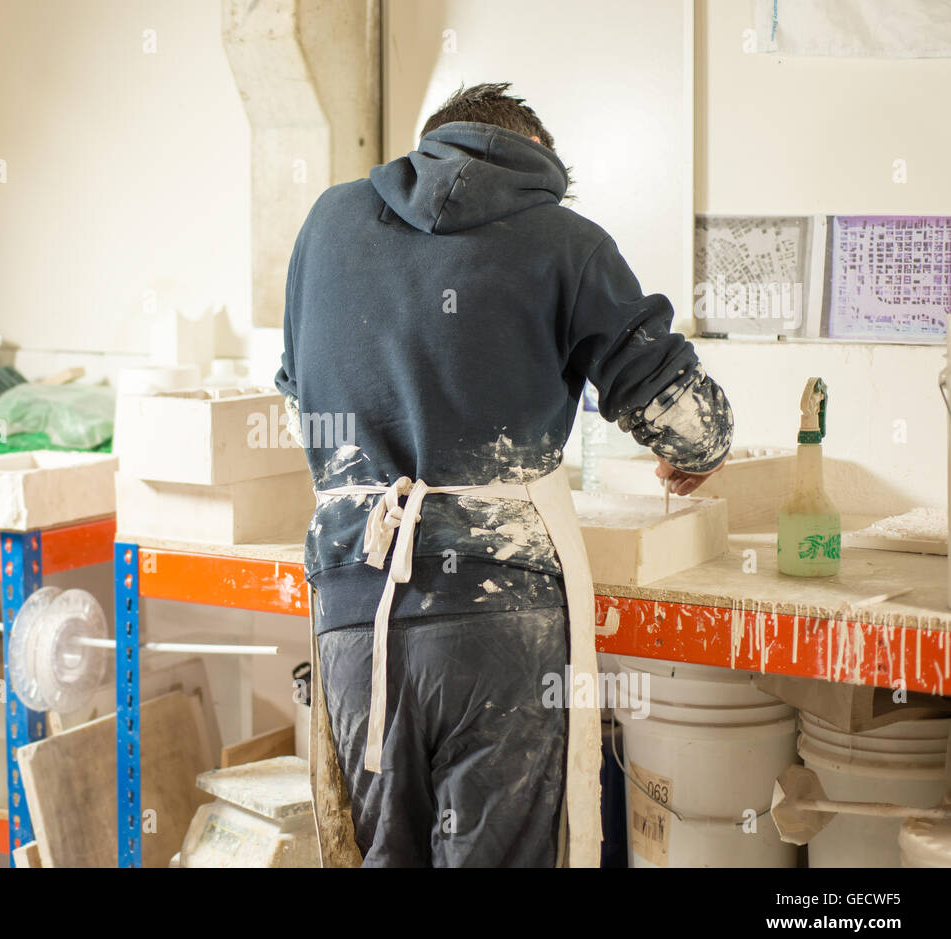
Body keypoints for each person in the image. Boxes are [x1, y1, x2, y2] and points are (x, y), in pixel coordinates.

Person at [275, 83, 733, 867]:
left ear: (428, 147)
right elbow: (692, 423)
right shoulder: (564, 239)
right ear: (540, 164)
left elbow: (297, 405)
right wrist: (693, 457)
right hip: (496, 619)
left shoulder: (327, 225)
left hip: (354, 610)